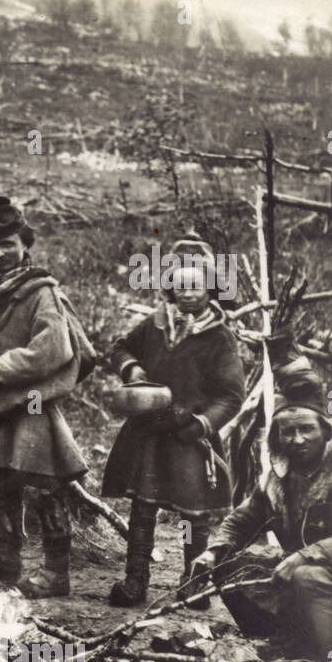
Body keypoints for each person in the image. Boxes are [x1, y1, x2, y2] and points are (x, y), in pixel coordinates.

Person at [189, 369, 332, 662]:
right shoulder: (277, 482)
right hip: (309, 588)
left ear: (326, 430)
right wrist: (213, 551)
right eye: (287, 431)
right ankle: (288, 643)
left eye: (307, 429)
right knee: (231, 565)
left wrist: (306, 556)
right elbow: (242, 520)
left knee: (308, 574)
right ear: (276, 437)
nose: (297, 439)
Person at [0, 196, 88, 598]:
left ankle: (56, 572)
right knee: (1, 486)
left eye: (8, 244)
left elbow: (53, 348)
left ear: (24, 244)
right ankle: (6, 563)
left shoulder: (40, 291)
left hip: (29, 406)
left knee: (43, 488)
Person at [102, 256, 245, 608]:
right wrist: (132, 369)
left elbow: (231, 395)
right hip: (150, 430)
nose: (187, 294)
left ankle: (193, 581)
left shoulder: (219, 337)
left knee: (192, 512)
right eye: (180, 286)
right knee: (143, 506)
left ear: (210, 290)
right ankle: (135, 580)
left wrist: (200, 423)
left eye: (195, 286)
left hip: (189, 436)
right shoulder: (154, 324)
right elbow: (120, 348)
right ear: (171, 289)